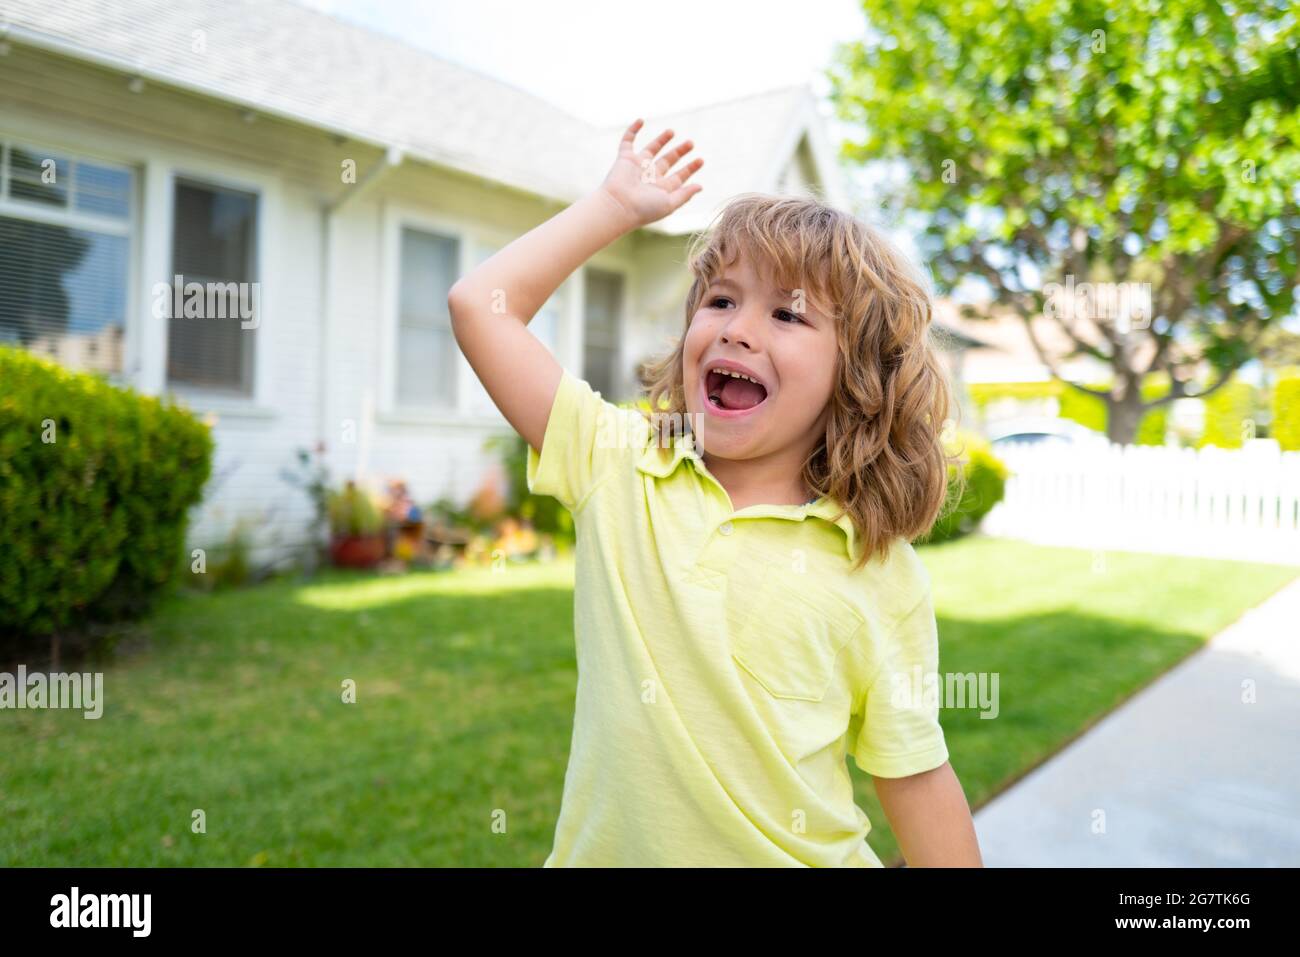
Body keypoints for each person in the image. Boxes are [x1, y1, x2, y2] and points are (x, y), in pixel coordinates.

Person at [448, 118, 983, 867]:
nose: (737, 330)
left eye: (787, 313)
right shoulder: (621, 464)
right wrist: (613, 206)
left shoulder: (875, 569)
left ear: (855, 379)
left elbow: (917, 776)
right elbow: (481, 306)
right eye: (722, 300)